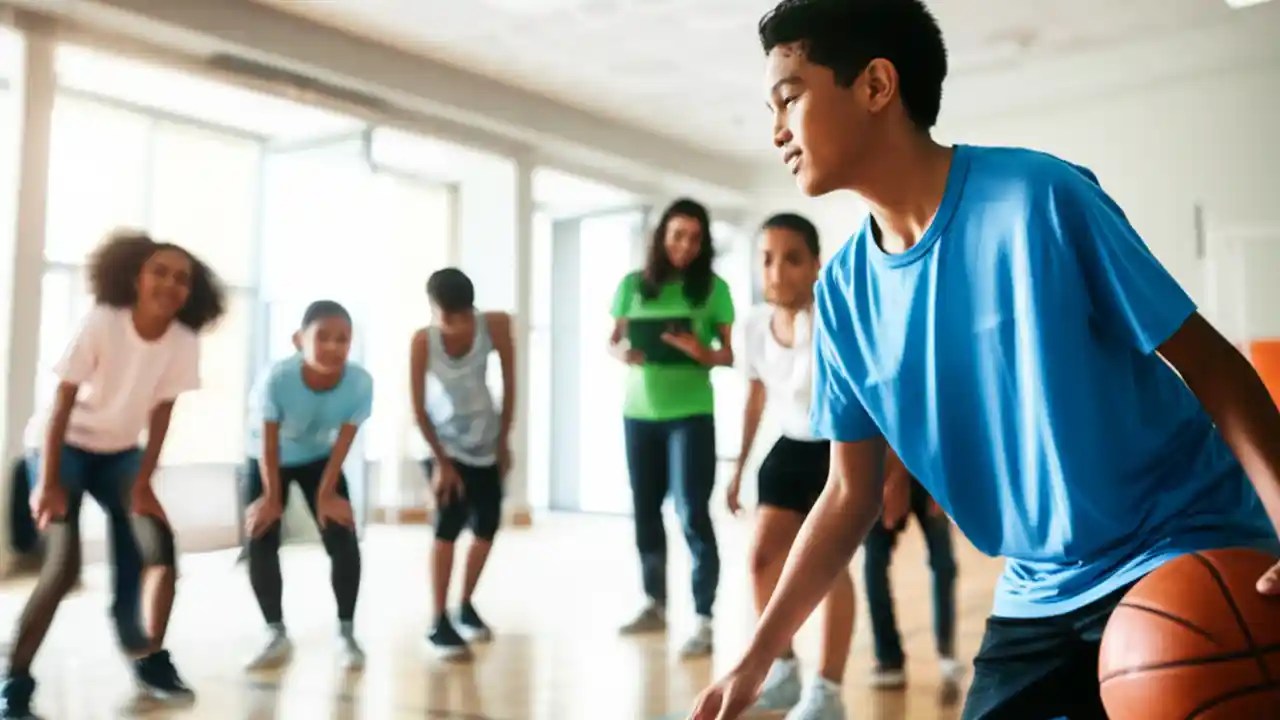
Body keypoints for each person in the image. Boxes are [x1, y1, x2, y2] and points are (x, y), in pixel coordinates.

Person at [691, 2, 1280, 719]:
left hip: (1178, 543)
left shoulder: (1041, 198)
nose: (777, 130)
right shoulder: (842, 295)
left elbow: (1212, 365)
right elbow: (849, 494)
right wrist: (756, 657)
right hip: (1039, 588)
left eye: (790, 98)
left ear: (876, 86)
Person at [0, 230, 226, 719]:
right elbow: (62, 400)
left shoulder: (183, 342)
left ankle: (149, 659)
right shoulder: (104, 321)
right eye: (159, 272)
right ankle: (13, 682)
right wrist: (48, 482)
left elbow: (162, 413)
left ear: (192, 292)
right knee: (64, 568)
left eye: (181, 278)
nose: (170, 283)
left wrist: (144, 482)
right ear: (135, 278)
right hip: (63, 447)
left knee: (159, 548)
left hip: (120, 453)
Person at [725, 212, 853, 720]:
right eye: (767, 259)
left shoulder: (835, 319)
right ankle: (782, 671)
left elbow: (868, 397)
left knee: (830, 569)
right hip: (788, 447)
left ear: (816, 264)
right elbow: (755, 397)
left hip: (836, 448)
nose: (776, 271)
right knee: (761, 558)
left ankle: (828, 691)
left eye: (792, 259)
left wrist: (890, 472)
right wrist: (737, 469)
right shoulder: (754, 325)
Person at [609, 198, 736, 658]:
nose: (685, 245)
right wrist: (622, 353)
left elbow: (729, 354)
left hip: (691, 414)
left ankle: (704, 618)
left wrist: (703, 353)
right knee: (644, 509)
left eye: (695, 238)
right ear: (662, 236)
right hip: (639, 414)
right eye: (678, 235)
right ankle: (654, 603)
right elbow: (613, 340)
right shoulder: (632, 286)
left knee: (692, 512)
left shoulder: (714, 290)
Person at [242, 300, 371, 672]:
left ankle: (346, 633)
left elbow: (344, 440)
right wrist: (271, 498)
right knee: (261, 533)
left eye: (342, 339)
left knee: (343, 533)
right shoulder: (277, 379)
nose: (333, 347)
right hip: (267, 458)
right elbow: (268, 441)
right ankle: (275, 632)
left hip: (319, 457)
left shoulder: (360, 383)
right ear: (299, 340)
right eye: (322, 337)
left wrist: (327, 493)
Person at [409, 268, 516, 660]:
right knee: (449, 521)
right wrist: (442, 464)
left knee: (488, 523)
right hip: (441, 442)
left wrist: (503, 442)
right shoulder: (423, 341)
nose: (456, 325)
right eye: (446, 317)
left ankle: (465, 605)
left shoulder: (496, 325)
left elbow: (511, 385)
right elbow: (418, 409)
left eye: (463, 316)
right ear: (433, 310)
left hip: (484, 440)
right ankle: (437, 620)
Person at [864, 450, 959, 694]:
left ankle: (946, 651)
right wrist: (894, 478)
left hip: (928, 468)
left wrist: (942, 480)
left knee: (944, 565)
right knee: (874, 563)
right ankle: (888, 659)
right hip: (883, 467)